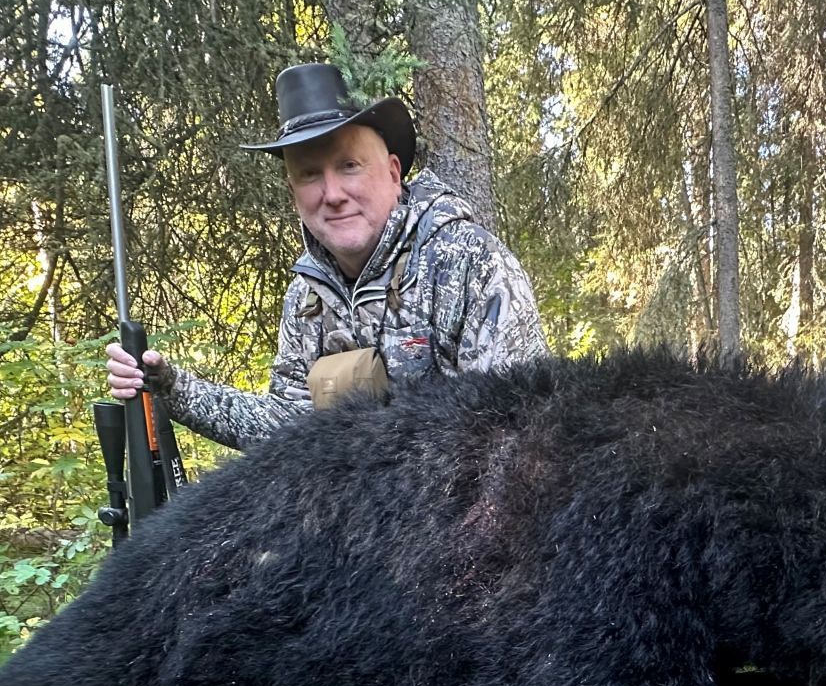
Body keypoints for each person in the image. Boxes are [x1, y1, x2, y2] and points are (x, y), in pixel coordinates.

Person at [106, 63, 550, 449]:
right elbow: (287, 426)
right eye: (310, 175)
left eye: (349, 166)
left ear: (394, 173)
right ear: (293, 190)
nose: (332, 194)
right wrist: (172, 389)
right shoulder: (306, 297)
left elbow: (520, 427)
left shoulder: (467, 262)